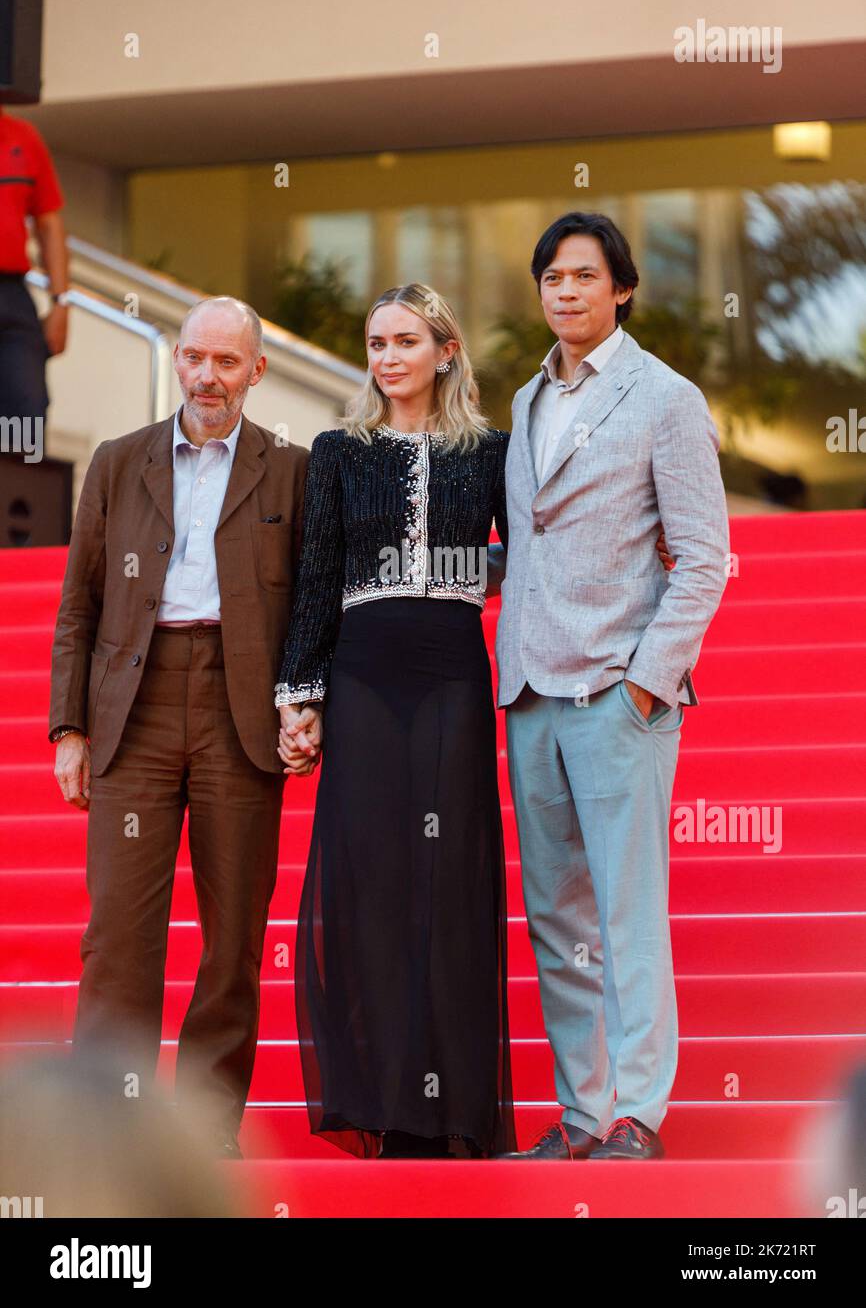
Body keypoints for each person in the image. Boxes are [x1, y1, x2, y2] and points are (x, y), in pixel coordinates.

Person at [48, 296, 309, 1158]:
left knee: (235, 936)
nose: (206, 375)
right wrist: (69, 728)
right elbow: (78, 602)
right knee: (119, 934)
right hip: (138, 703)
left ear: (256, 371)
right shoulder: (120, 465)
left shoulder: (292, 471)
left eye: (226, 362)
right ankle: (106, 1136)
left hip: (242, 709)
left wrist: (304, 702)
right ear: (178, 362)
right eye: (195, 357)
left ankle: (201, 1138)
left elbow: (311, 605)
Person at [497, 212, 729, 1161]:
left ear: (621, 289)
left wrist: (646, 684)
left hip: (616, 693)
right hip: (529, 694)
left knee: (628, 911)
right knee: (557, 919)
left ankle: (639, 1111)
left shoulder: (664, 397)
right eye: (552, 276)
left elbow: (706, 559)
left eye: (585, 276)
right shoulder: (522, 401)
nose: (565, 291)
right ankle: (584, 1115)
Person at [275, 283, 516, 1158]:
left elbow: (521, 553)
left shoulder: (492, 451)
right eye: (376, 343)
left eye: (405, 342)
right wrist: (298, 695)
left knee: (447, 884)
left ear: (445, 350)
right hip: (363, 671)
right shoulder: (338, 449)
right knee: (372, 883)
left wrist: (457, 570)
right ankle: (382, 1100)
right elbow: (317, 575)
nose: (387, 358)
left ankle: (448, 1110)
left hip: (453, 667)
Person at [0, 105, 69, 428]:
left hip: (13, 294)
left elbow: (49, 224)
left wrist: (60, 302)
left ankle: (25, 477)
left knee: (28, 409)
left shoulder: (23, 136)